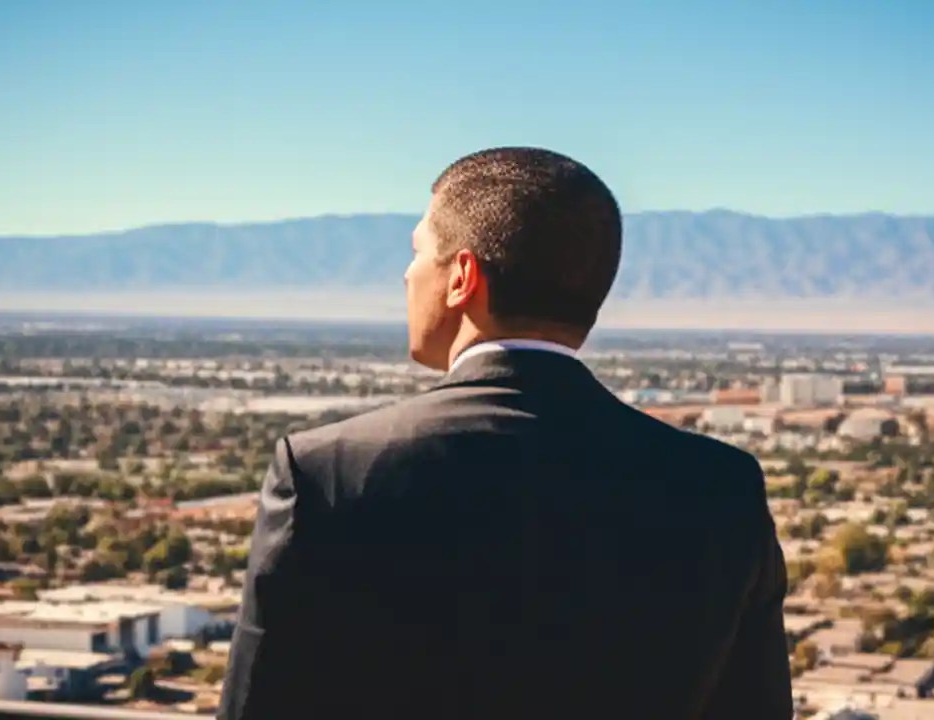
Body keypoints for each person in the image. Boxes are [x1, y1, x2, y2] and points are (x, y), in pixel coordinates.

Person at [219, 147, 792, 719]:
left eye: (418, 251)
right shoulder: (721, 488)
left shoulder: (328, 475)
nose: (405, 273)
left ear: (462, 277)